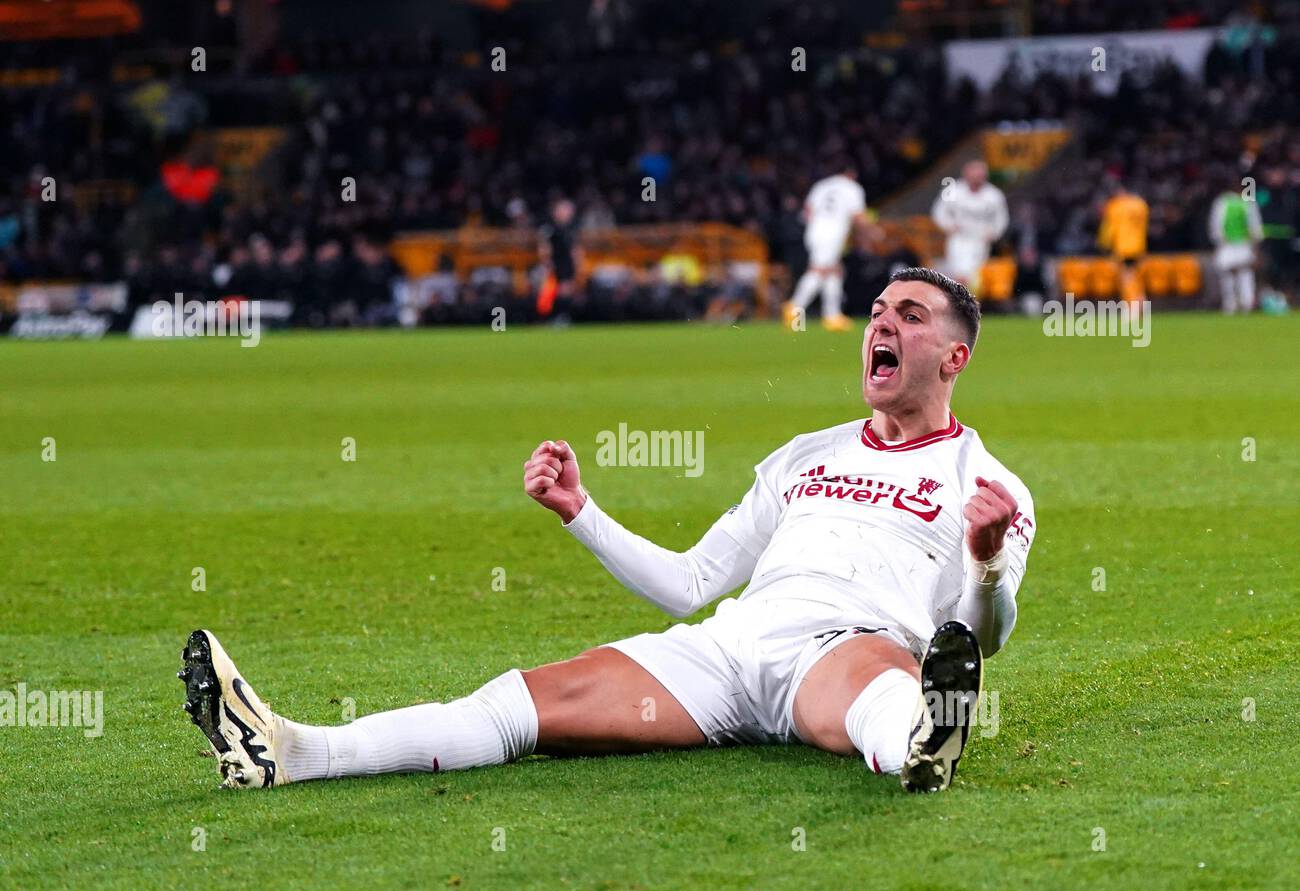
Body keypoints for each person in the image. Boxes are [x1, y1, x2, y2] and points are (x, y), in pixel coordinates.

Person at [180, 268, 1036, 795]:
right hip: (729, 650)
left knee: (888, 695)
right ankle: (290, 750)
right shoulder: (801, 456)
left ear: (954, 357)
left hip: (846, 651)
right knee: (521, 702)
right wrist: (581, 514)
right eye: (879, 310)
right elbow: (693, 583)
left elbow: (982, 637)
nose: (882, 324)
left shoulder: (989, 485)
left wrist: (987, 563)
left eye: (911, 316)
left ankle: (925, 744)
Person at [782, 164, 868, 333]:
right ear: (851, 173)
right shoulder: (852, 187)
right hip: (832, 233)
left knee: (834, 270)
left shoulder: (821, 185)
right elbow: (858, 217)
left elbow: (807, 212)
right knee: (819, 270)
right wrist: (874, 232)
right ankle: (794, 306)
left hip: (815, 231)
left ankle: (832, 315)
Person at [930, 160, 1008, 293]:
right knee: (958, 273)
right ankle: (959, 307)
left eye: (980, 176)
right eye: (974, 176)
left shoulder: (994, 195)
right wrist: (948, 225)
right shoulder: (953, 190)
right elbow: (939, 212)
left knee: (975, 276)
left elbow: (1001, 219)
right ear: (966, 175)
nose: (976, 179)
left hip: (980, 239)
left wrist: (994, 233)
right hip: (958, 238)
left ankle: (972, 306)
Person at [1208, 182, 1264, 314]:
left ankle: (1230, 305)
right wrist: (1256, 246)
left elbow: (1215, 225)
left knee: (1228, 275)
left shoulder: (1221, 202)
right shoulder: (1247, 202)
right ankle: (1246, 304)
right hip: (1243, 244)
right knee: (1245, 274)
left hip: (1228, 244)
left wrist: (1218, 242)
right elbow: (1255, 226)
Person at [1097, 180, 1149, 305]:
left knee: (1126, 276)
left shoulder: (1115, 206)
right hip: (1139, 245)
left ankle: (1132, 304)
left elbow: (1109, 228)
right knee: (1136, 275)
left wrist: (1103, 243)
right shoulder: (1140, 204)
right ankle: (1141, 301)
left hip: (1124, 246)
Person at [538, 199, 580, 325]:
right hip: (555, 265)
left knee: (567, 292)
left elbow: (575, 249)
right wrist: (547, 263)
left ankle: (563, 318)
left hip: (567, 265)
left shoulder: (570, 229)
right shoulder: (550, 228)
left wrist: (577, 264)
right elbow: (544, 248)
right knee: (552, 293)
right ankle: (553, 318)